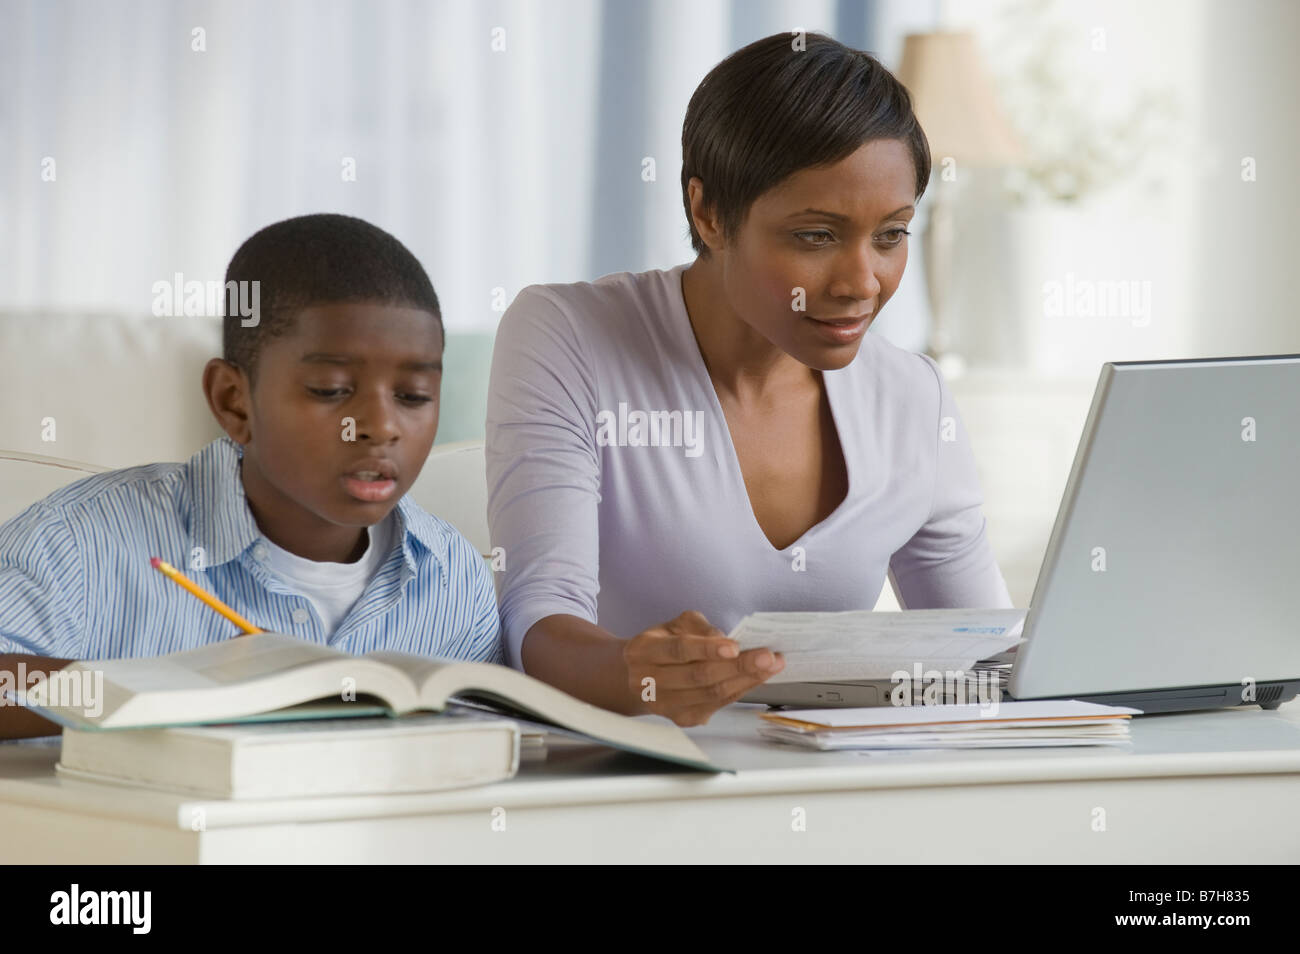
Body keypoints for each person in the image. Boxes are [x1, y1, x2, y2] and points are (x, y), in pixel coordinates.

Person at [486, 32, 1012, 727]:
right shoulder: (569, 335)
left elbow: (988, 655)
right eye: (816, 236)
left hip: (828, 791)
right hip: (632, 785)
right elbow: (537, 619)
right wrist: (631, 674)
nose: (863, 283)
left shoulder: (912, 397)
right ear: (709, 214)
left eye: (891, 234)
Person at [0, 213, 502, 739]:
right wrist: (171, 691)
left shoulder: (455, 584)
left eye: (413, 396)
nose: (380, 427)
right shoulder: (83, 544)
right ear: (233, 401)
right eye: (331, 390)